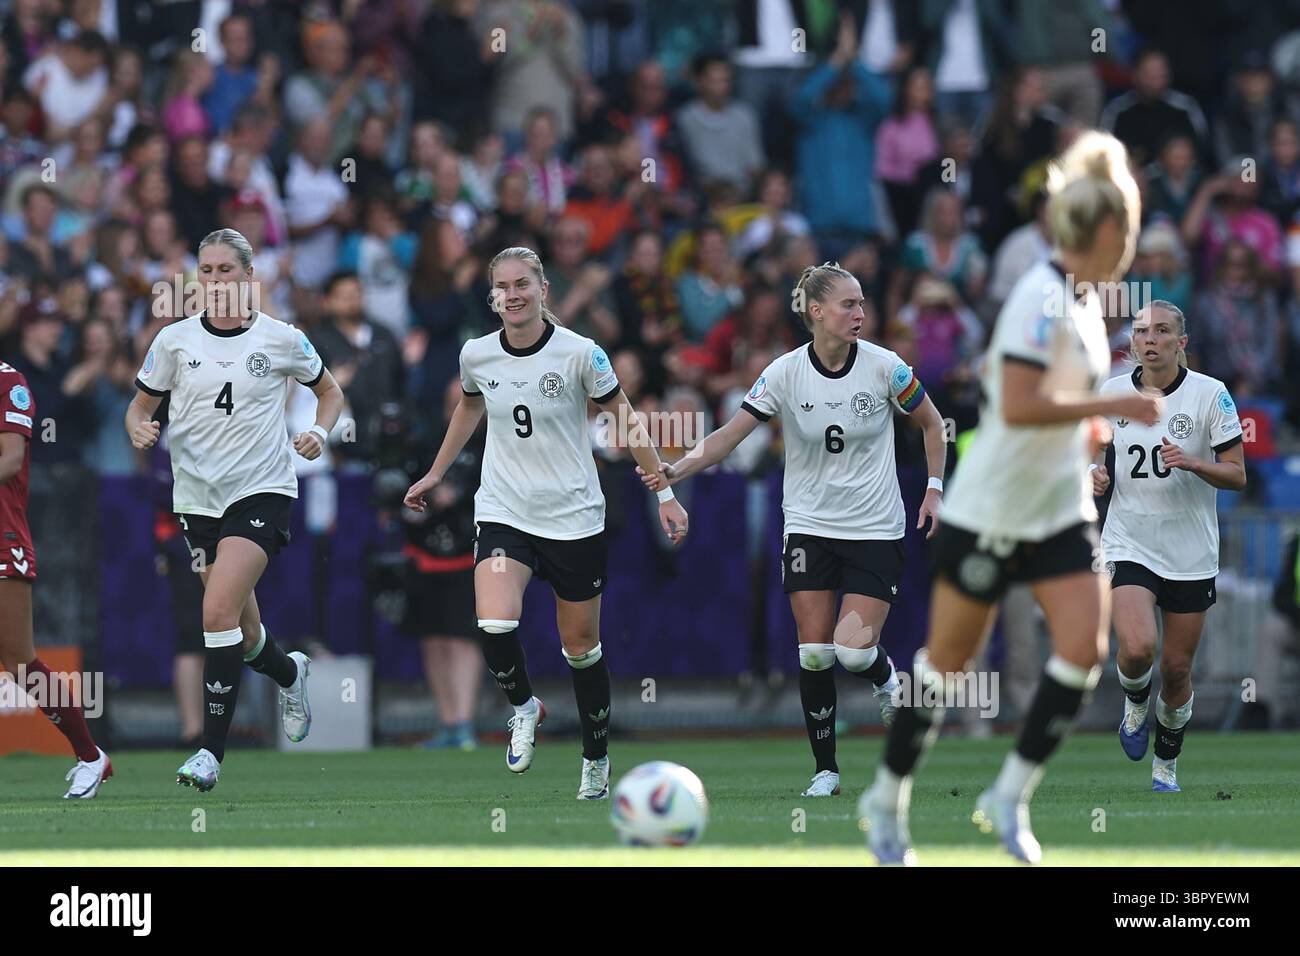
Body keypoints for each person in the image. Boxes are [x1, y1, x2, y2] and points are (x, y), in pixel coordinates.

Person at [859, 131, 1160, 865]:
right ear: (1109, 230)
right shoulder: (1040, 293)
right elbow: (1022, 405)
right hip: (991, 509)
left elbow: (1033, 394)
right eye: (1130, 224)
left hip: (1055, 508)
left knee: (1083, 649)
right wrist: (1112, 407)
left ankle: (1009, 795)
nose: (1133, 239)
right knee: (946, 668)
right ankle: (886, 798)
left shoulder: (1083, 301)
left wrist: (1088, 421)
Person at [641, 261, 949, 797]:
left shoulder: (885, 367)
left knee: (853, 651)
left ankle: (884, 679)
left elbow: (931, 423)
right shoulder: (784, 372)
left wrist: (934, 487)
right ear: (816, 312)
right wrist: (678, 468)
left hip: (875, 525)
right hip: (808, 525)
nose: (860, 313)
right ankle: (826, 770)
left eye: (861, 303)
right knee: (813, 652)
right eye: (848, 304)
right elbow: (730, 435)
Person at [403, 246, 688, 800]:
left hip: (574, 516)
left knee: (580, 646)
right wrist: (437, 472)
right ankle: (523, 706)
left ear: (542, 290)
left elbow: (625, 419)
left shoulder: (582, 354)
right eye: (501, 287)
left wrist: (666, 494)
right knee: (494, 621)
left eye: (521, 285)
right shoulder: (477, 355)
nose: (511, 295)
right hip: (505, 509)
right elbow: (468, 407)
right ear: (492, 297)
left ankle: (596, 758)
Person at [124, 228, 345, 792]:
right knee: (244, 634)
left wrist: (319, 431)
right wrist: (140, 427)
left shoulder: (281, 338)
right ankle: (291, 673)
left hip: (262, 490)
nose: (216, 280)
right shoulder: (173, 341)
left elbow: (330, 392)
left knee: (216, 613)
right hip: (197, 500)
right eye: (208, 270)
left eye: (227, 270)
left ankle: (209, 754)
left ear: (249, 278)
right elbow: (140, 404)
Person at [1092, 301, 1246, 791]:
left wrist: (1195, 463)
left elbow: (1238, 474)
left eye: (1162, 331)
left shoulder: (1211, 395)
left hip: (1190, 552)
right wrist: (1091, 475)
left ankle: (1166, 764)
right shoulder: (1112, 393)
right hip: (1128, 541)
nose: (1150, 339)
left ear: (1182, 343)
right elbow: (1093, 455)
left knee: (1177, 669)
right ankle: (1135, 700)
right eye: (1142, 332)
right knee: (1137, 649)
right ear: (1133, 343)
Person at [0, 356, 111, 797]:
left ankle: (89, 756)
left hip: (3, 536)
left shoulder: (8, 381)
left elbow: (10, 460)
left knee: (20, 663)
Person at [401, 377, 485, 751]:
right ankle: (447, 721)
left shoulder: (489, 444)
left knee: (463, 637)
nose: (458, 409)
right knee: (432, 637)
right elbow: (404, 482)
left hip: (469, 551)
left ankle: (465, 721)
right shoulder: (428, 441)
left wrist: (457, 495)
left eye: (465, 402)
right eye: (453, 401)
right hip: (426, 553)